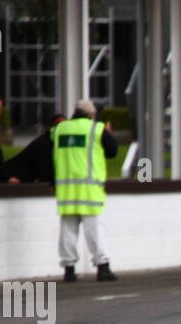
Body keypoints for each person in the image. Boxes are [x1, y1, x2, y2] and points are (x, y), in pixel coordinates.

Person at [53, 100, 117, 282]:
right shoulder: (96, 129)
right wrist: (108, 134)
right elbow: (112, 151)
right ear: (92, 115)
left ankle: (69, 270)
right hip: (89, 191)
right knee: (96, 230)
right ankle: (103, 268)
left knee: (68, 231)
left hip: (66, 192)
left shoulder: (59, 129)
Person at [0, 114, 66, 184]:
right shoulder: (43, 144)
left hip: (17, 178)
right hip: (8, 178)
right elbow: (44, 173)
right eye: (58, 125)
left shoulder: (53, 142)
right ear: (51, 127)